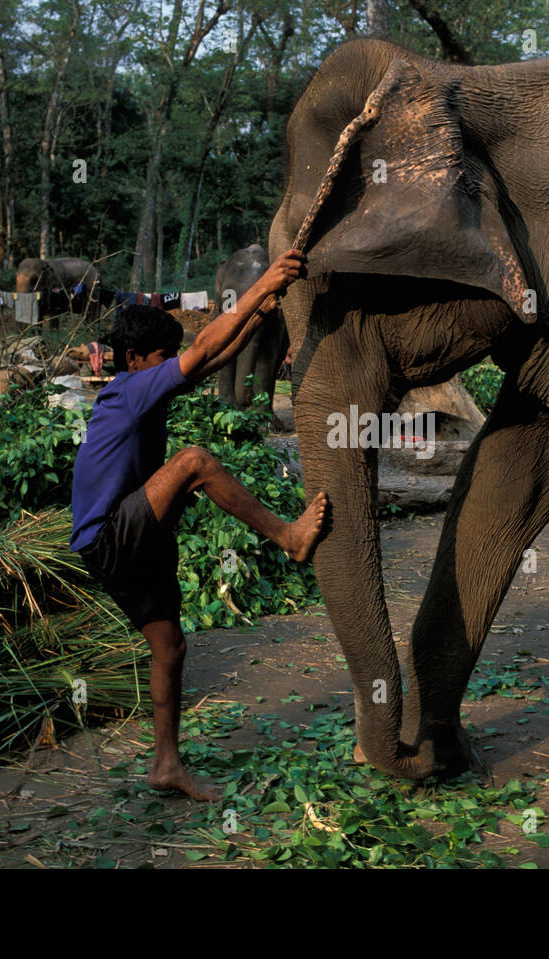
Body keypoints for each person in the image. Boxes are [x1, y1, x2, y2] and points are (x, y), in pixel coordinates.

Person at [70, 248, 327, 802]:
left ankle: (166, 767)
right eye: (163, 358)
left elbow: (214, 355)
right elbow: (206, 348)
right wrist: (262, 284)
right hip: (112, 534)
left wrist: (264, 307)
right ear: (135, 358)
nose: (172, 367)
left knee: (170, 649)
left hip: (120, 543)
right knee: (194, 462)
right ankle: (288, 537)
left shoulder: (144, 385)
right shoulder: (128, 391)